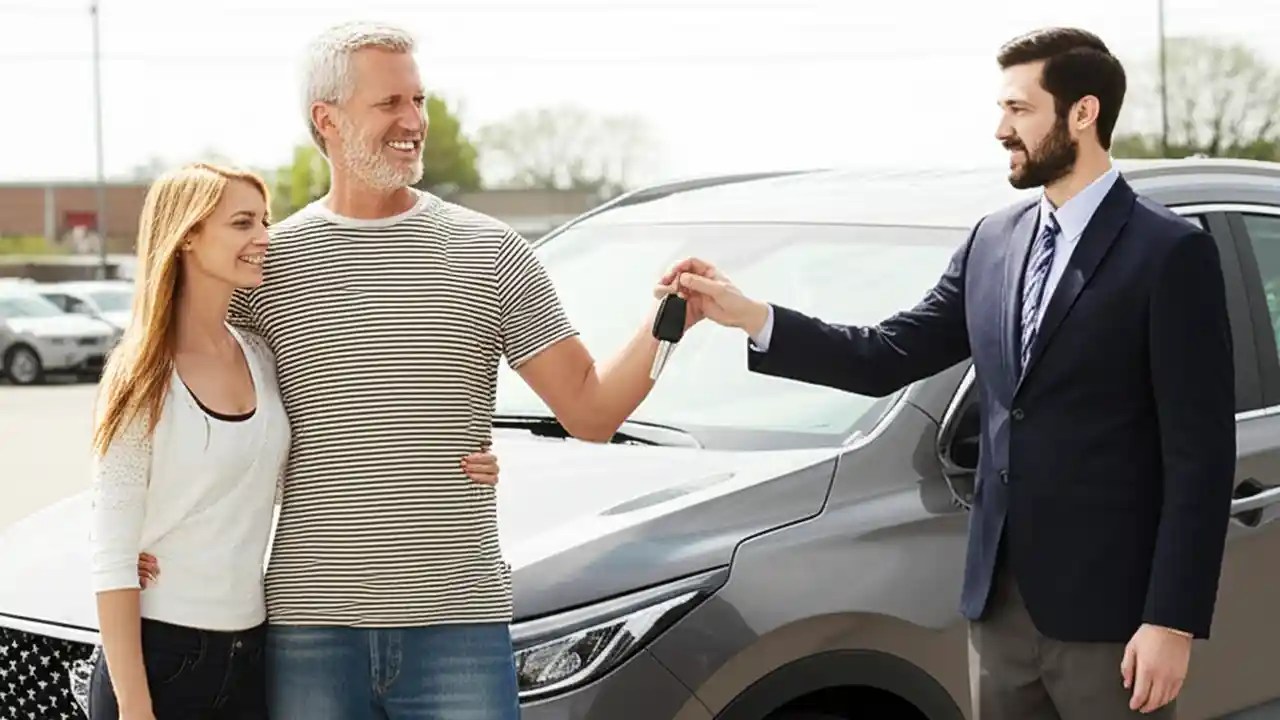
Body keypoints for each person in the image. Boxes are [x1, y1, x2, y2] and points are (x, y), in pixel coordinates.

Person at [664, 27, 1235, 720]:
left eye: (1019, 109)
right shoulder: (993, 239)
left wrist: (1170, 621)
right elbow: (888, 354)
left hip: (1113, 621)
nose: (1001, 129)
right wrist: (752, 315)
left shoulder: (1171, 253)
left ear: (1082, 114)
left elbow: (1199, 458)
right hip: (998, 614)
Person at [199, 20, 697, 719]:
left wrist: (669, 320)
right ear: (328, 120)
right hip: (309, 625)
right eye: (390, 104)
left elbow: (590, 411)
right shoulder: (265, 267)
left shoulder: (490, 252)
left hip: (458, 626)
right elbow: (204, 424)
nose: (414, 123)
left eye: (418, 101)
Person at [86, 162, 501, 720]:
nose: (264, 238)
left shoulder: (259, 356)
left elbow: (309, 469)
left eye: (264, 220)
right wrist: (135, 707)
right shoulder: (141, 374)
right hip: (162, 655)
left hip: (250, 652)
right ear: (187, 237)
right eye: (242, 223)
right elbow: (110, 552)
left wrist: (447, 461)